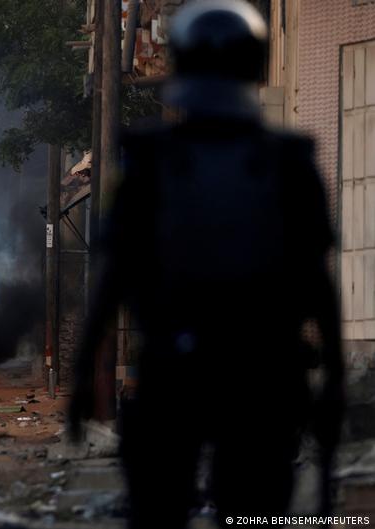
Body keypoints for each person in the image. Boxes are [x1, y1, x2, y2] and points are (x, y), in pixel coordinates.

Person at [68, 1, 344, 528]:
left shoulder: (146, 158)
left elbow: (114, 277)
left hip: (175, 372)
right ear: (256, 63)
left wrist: (85, 374)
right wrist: (331, 382)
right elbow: (318, 283)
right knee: (254, 513)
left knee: (159, 509)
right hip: (265, 377)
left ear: (183, 61)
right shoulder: (289, 158)